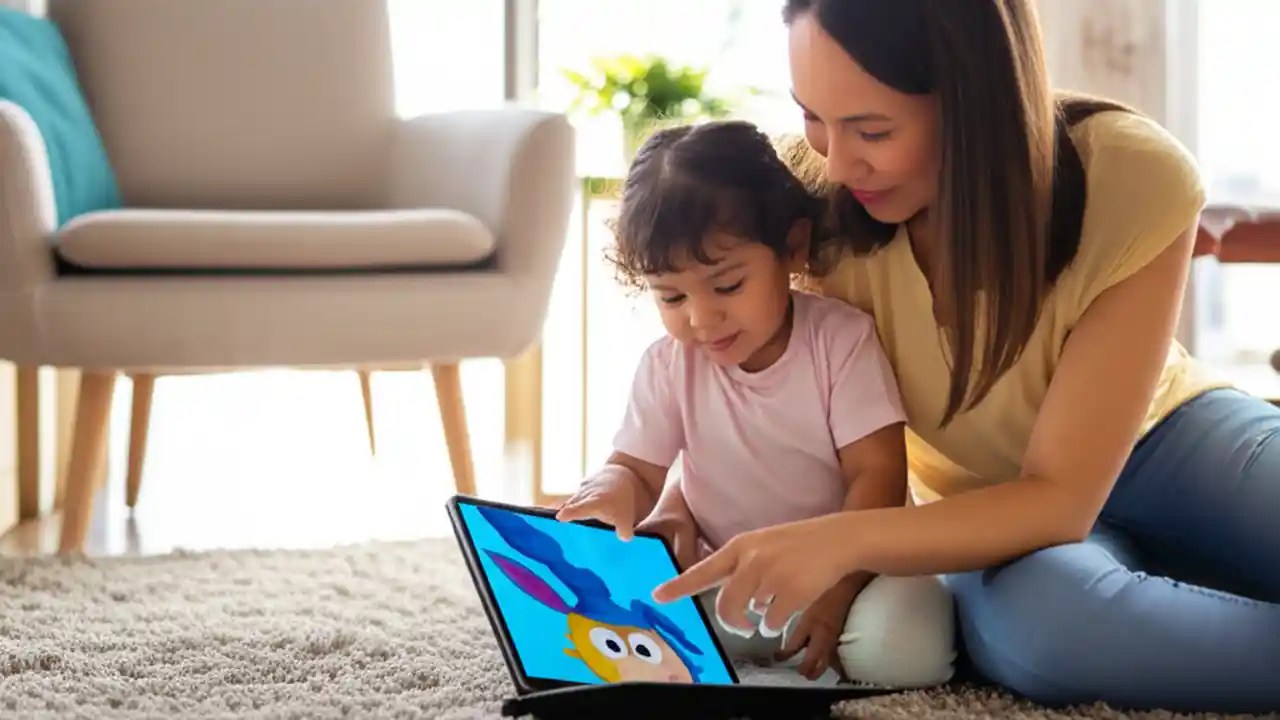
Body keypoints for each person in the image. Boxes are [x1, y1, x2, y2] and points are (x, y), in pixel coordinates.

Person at [652, 0, 1280, 714]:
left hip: (1170, 438)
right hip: (981, 511)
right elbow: (721, 352)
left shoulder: (1130, 173)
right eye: (811, 115)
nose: (836, 160)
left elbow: (1061, 496)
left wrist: (839, 541)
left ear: (974, 102)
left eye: (872, 130)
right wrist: (677, 499)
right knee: (1047, 631)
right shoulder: (807, 205)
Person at [556, 120, 956, 687]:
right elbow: (637, 472)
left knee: (905, 651)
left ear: (792, 248)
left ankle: (799, 642)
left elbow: (879, 478)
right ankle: (777, 651)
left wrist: (839, 588)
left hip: (855, 570)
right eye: (671, 296)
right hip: (731, 575)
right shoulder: (668, 365)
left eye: (727, 286)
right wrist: (612, 486)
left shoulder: (840, 340)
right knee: (635, 623)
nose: (701, 318)